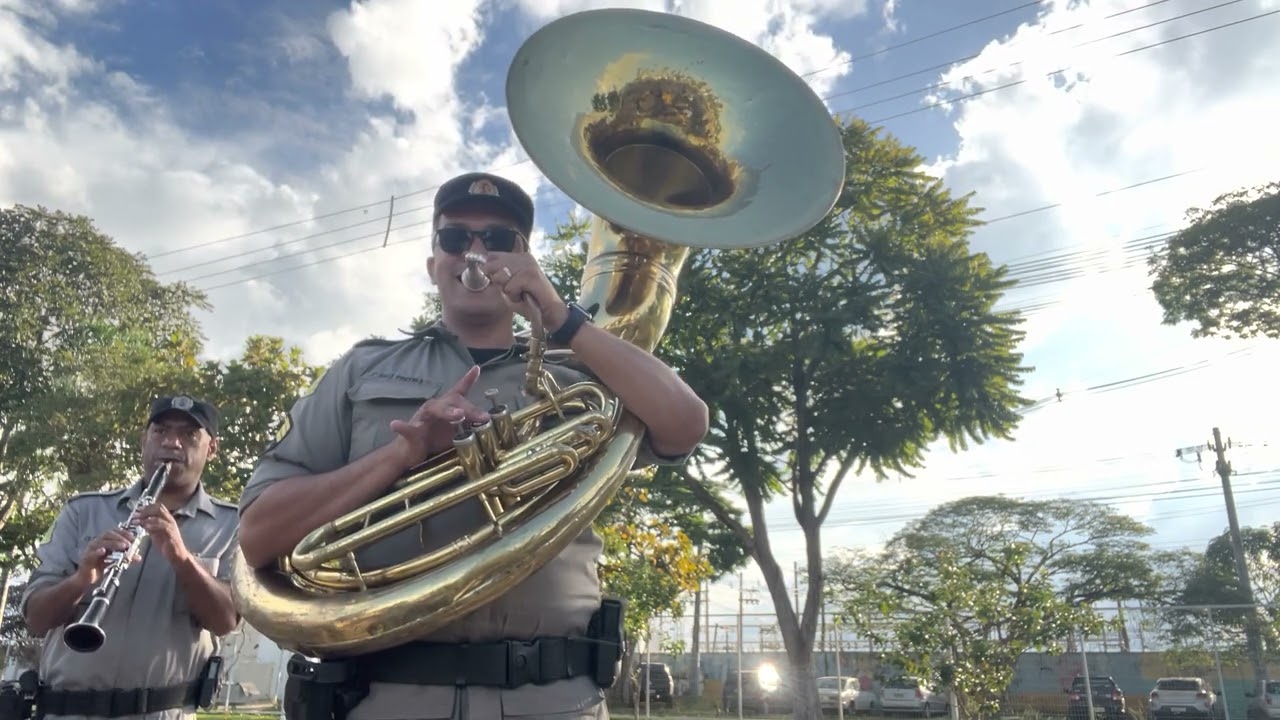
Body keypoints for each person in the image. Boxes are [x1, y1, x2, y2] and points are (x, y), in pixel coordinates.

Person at [237, 171, 710, 720]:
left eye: (499, 239)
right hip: (386, 696)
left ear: (525, 258)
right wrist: (400, 456)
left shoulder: (584, 375)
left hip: (553, 699)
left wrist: (560, 318)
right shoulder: (363, 369)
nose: (476, 252)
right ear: (434, 263)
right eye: (455, 239)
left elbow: (685, 423)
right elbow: (258, 534)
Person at [20, 395, 241, 720]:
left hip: (163, 712)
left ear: (212, 449)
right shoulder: (83, 510)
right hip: (65, 711)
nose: (171, 443)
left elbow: (225, 621)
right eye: (160, 431)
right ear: (144, 440)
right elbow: (36, 620)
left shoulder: (234, 524)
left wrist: (182, 558)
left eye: (189, 435)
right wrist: (81, 580)